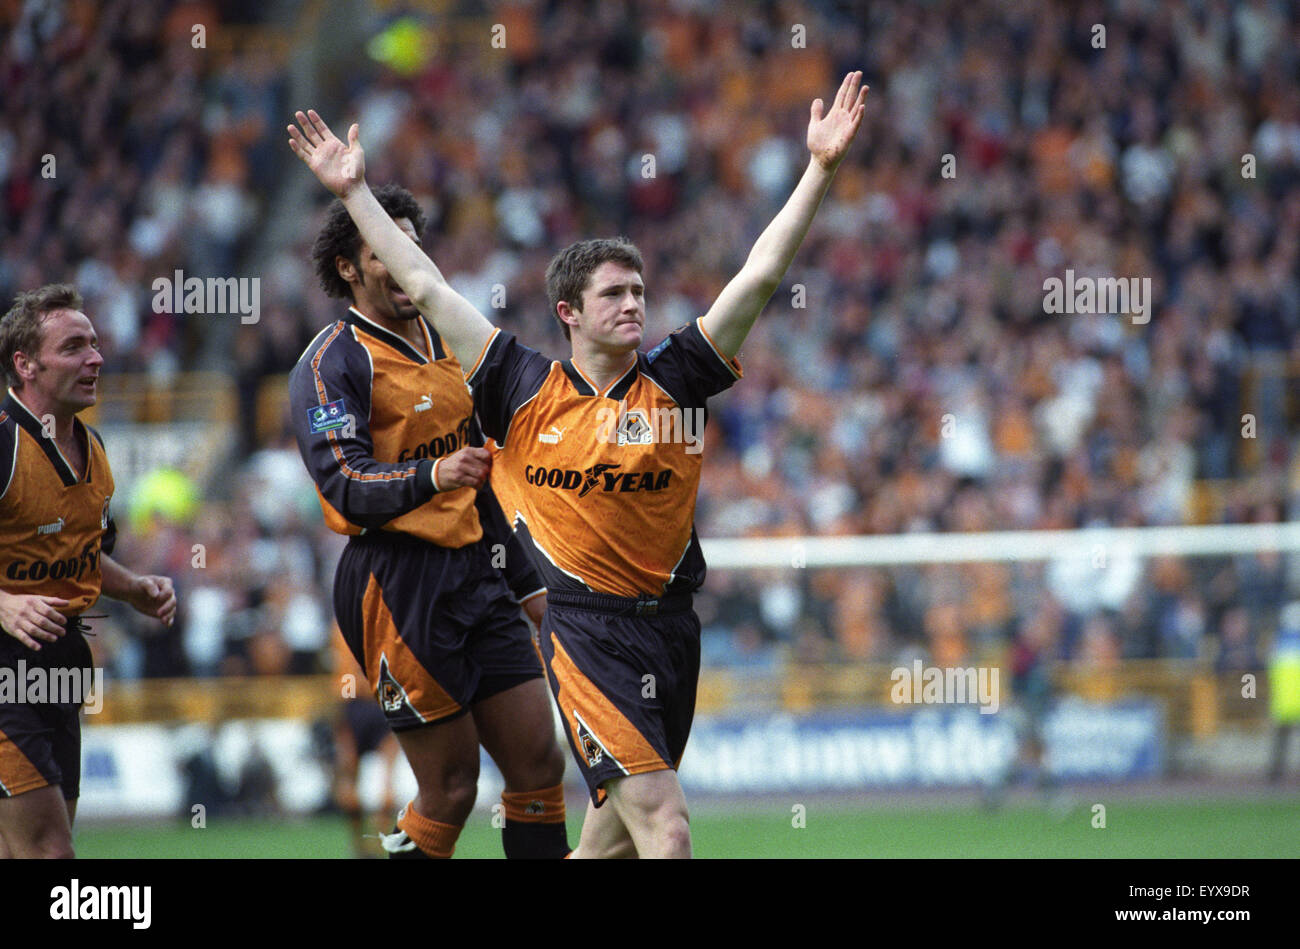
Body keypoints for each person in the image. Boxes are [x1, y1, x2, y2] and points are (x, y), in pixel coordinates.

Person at [287, 71, 868, 858]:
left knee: (608, 843)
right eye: (614, 294)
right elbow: (423, 282)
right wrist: (355, 192)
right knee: (667, 826)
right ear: (569, 311)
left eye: (639, 291)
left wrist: (820, 170)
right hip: (587, 633)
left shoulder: (678, 376)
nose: (634, 304)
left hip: (671, 630)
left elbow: (760, 276)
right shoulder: (516, 384)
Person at [287, 189, 569, 859]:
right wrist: (431, 476)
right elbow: (344, 484)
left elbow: (485, 482)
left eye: (413, 246)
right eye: (386, 250)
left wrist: (531, 589)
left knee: (538, 764)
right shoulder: (330, 363)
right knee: (449, 788)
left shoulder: (452, 341)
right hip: (397, 581)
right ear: (348, 267)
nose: (406, 260)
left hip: (480, 571)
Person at [0, 284, 176, 858]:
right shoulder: (4, 444)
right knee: (50, 852)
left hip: (62, 658)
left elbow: (79, 554)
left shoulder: (94, 448)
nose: (96, 357)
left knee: (25, 846)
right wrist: (3, 603)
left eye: (95, 344)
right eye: (74, 346)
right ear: (25, 365)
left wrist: (133, 590)